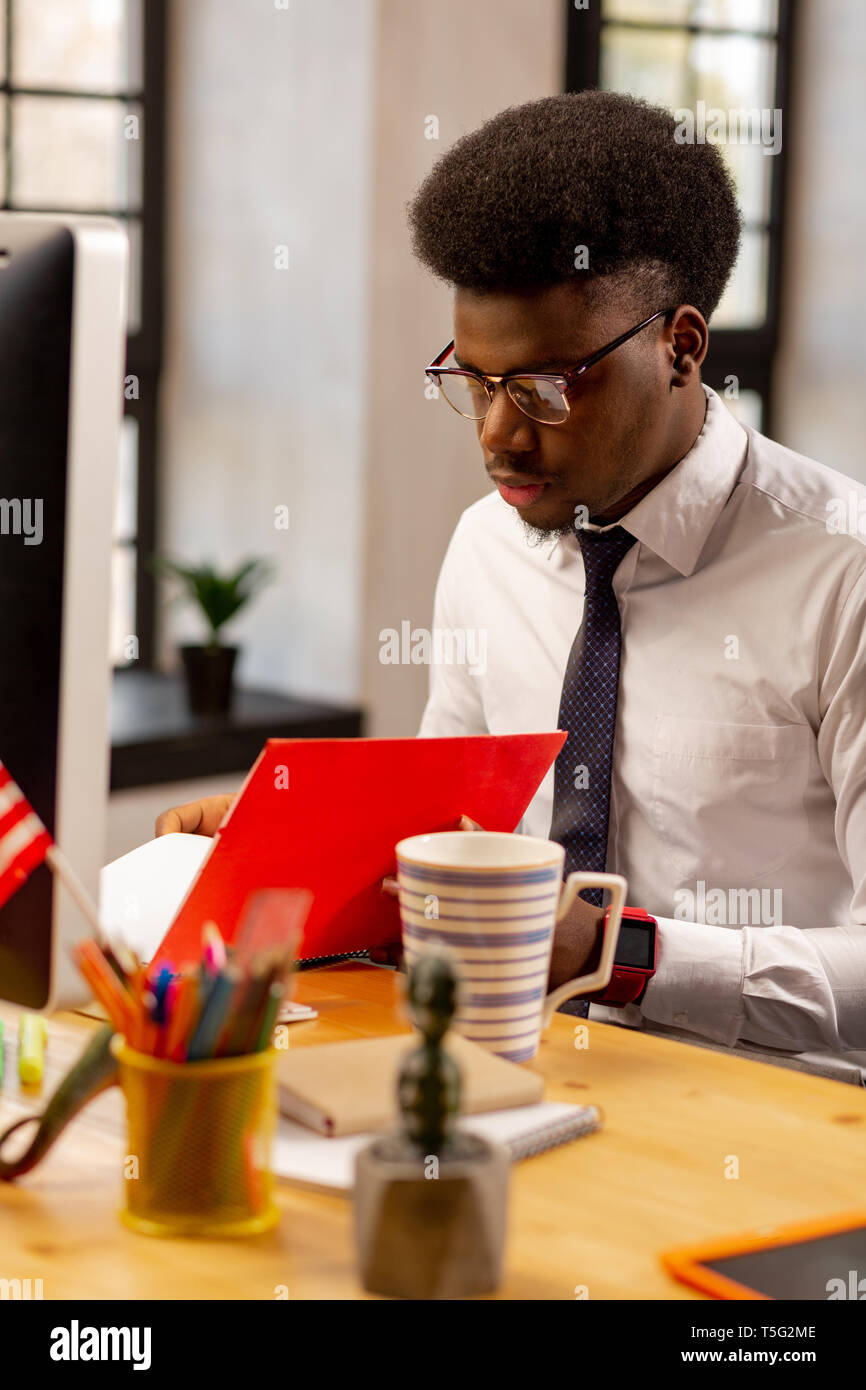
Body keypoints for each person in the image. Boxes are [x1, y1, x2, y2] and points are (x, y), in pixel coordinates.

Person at [157, 91, 866, 1085]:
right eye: (473, 380)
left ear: (681, 347)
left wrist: (620, 954)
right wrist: (296, 847)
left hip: (774, 1126)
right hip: (520, 1082)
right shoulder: (487, 545)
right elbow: (448, 834)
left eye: (541, 386)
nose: (496, 434)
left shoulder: (842, 571)